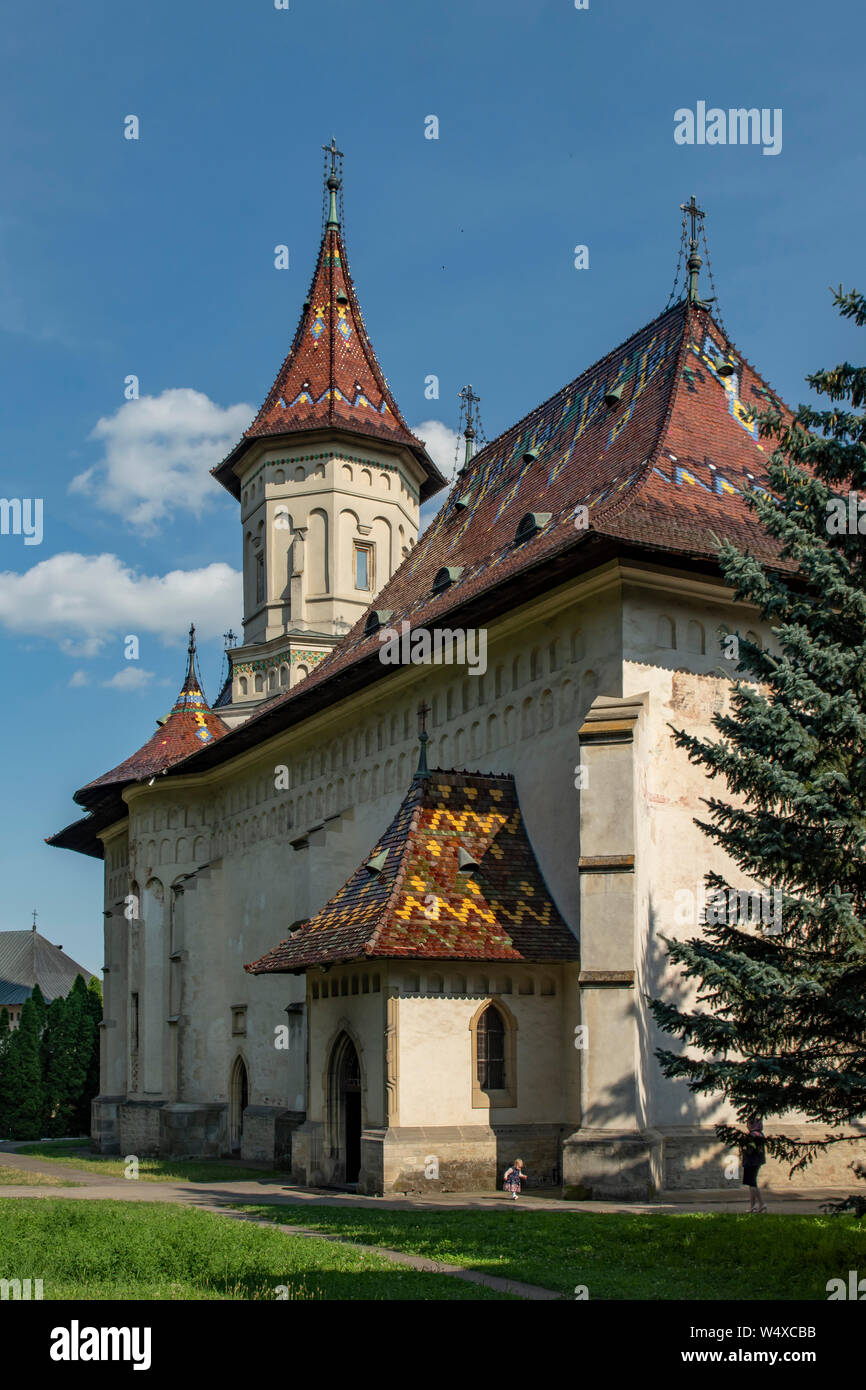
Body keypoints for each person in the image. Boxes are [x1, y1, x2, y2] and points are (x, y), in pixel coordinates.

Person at [740, 1115, 767, 1213]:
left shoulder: (752, 1135)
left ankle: (761, 1203)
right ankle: (753, 1206)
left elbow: (750, 1150)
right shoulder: (760, 1134)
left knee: (752, 1184)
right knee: (752, 1183)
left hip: (751, 1162)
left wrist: (744, 1149)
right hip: (758, 1161)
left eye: (748, 1123)